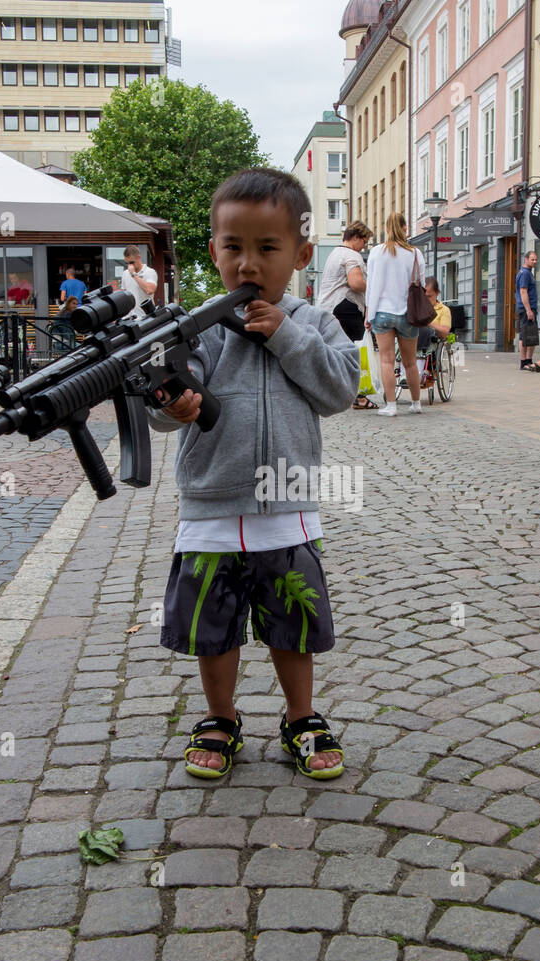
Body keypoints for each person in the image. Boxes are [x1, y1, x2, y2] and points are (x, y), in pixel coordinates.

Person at [147, 167, 357, 781]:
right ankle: (220, 716)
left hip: (287, 508)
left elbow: (339, 390)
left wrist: (288, 336)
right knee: (215, 627)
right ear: (213, 250)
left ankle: (301, 716)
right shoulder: (200, 328)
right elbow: (162, 405)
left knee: (292, 623)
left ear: (300, 253)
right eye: (233, 247)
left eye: (268, 248)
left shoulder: (315, 323)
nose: (248, 264)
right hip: (211, 507)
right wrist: (172, 402)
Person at [365, 211, 426, 415]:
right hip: (408, 313)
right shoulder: (415, 253)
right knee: (410, 362)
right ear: (405, 228)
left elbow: (371, 287)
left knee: (386, 360)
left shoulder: (376, 253)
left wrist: (369, 315)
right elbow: (422, 284)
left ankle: (391, 405)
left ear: (387, 229)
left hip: (382, 312)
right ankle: (416, 403)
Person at [316, 221, 374, 409]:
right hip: (345, 306)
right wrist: (374, 287)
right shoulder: (352, 256)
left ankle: (331, 391)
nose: (364, 246)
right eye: (364, 241)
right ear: (355, 237)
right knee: (356, 351)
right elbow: (355, 283)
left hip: (328, 307)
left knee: (333, 351)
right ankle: (360, 396)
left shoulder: (335, 253)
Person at [415, 277, 452, 389]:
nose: (426, 300)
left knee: (426, 332)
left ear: (437, 293)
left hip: (433, 340)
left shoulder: (444, 310)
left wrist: (430, 323)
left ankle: (421, 370)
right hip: (416, 337)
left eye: (429, 296)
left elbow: (445, 332)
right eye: (424, 297)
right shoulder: (417, 308)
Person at [515, 250, 539, 370]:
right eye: (532, 259)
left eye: (535, 259)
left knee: (530, 334)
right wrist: (528, 310)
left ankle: (528, 361)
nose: (534, 261)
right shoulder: (524, 273)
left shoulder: (527, 272)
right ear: (526, 259)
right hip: (526, 309)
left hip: (528, 308)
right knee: (525, 334)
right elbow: (523, 291)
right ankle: (524, 362)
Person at [121, 245, 158, 318]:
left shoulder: (149, 272)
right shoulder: (125, 273)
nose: (129, 266)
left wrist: (134, 275)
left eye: (131, 262)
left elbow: (150, 290)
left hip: (145, 316)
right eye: (127, 263)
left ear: (139, 257)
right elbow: (124, 294)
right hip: (130, 317)